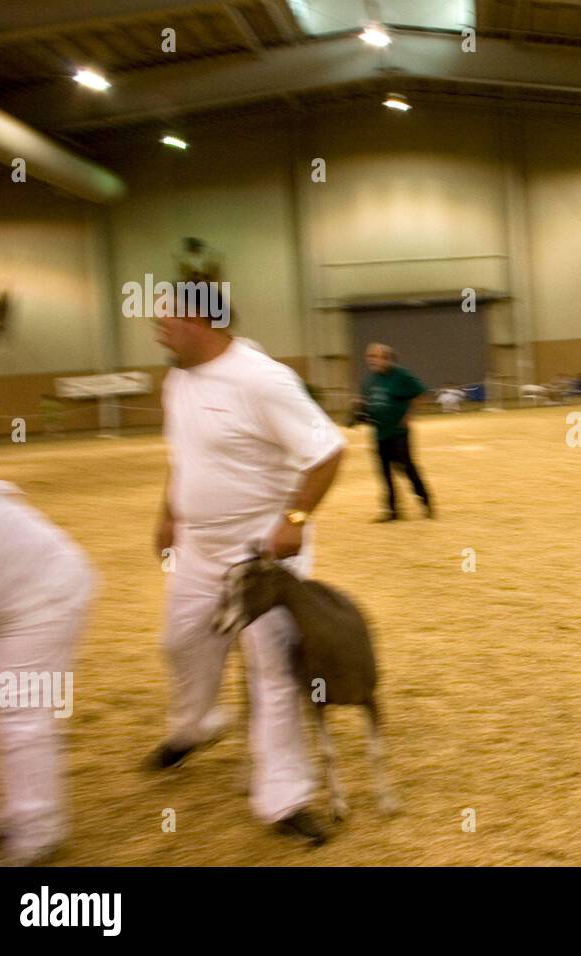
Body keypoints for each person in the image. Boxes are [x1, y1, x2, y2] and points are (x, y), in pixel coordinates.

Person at [148, 307, 346, 845]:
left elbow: (328, 450)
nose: (157, 326)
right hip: (198, 549)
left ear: (202, 320)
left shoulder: (263, 380)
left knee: (273, 671)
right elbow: (183, 456)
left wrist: (296, 518)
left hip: (262, 555)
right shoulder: (177, 379)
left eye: (168, 318)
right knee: (180, 642)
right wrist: (169, 512)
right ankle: (197, 724)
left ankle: (285, 797)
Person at [0, 473, 94, 865]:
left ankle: (38, 831)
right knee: (6, 710)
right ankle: (20, 812)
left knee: (22, 713)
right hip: (8, 601)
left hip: (44, 596)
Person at [357, 344, 433, 522]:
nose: (371, 360)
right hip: (380, 433)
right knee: (384, 472)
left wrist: (409, 416)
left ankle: (425, 500)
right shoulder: (369, 380)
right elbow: (366, 401)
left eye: (376, 356)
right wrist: (361, 412)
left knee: (406, 467)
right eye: (369, 356)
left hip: (398, 432)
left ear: (387, 359)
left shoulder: (401, 376)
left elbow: (421, 393)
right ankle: (392, 511)